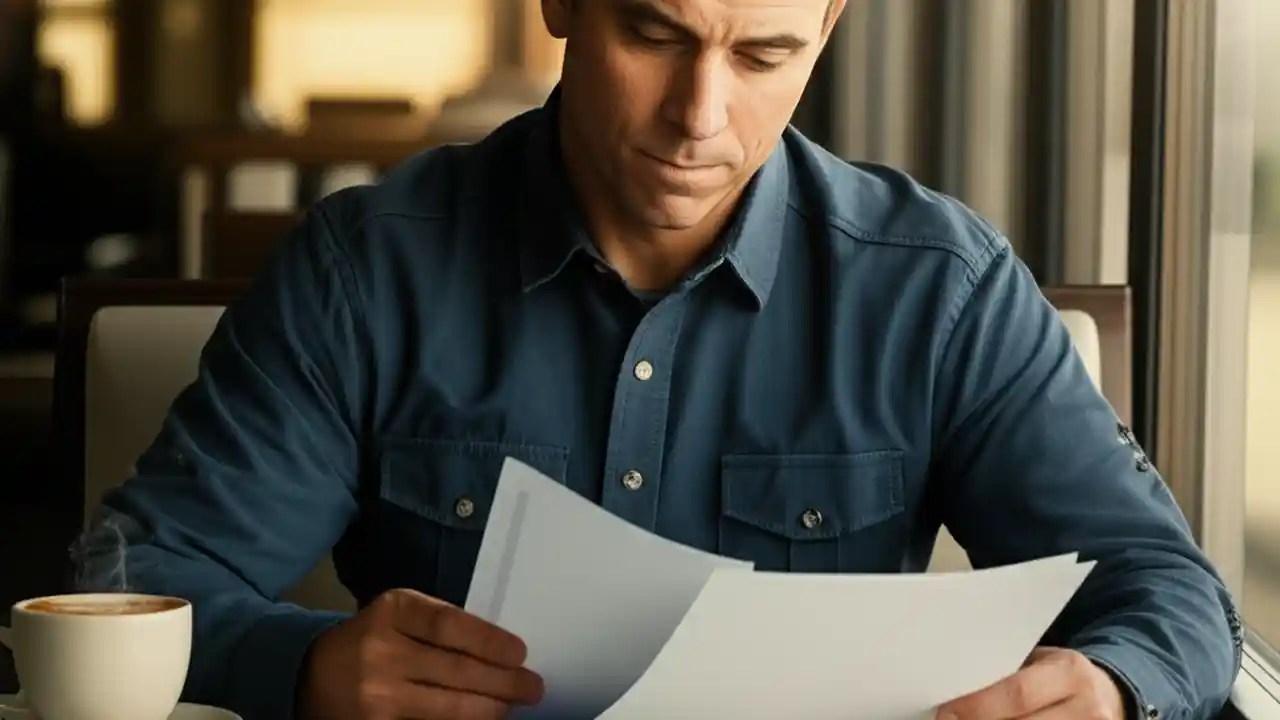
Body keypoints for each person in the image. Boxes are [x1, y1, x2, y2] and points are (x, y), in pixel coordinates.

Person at [78, 0, 1241, 718]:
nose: (700, 115)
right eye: (654, 33)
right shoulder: (365, 273)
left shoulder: (936, 289)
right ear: (563, 3)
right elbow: (120, 592)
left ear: (829, 24)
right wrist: (311, 671)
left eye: (764, 53)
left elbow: (1171, 596)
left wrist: (1108, 688)